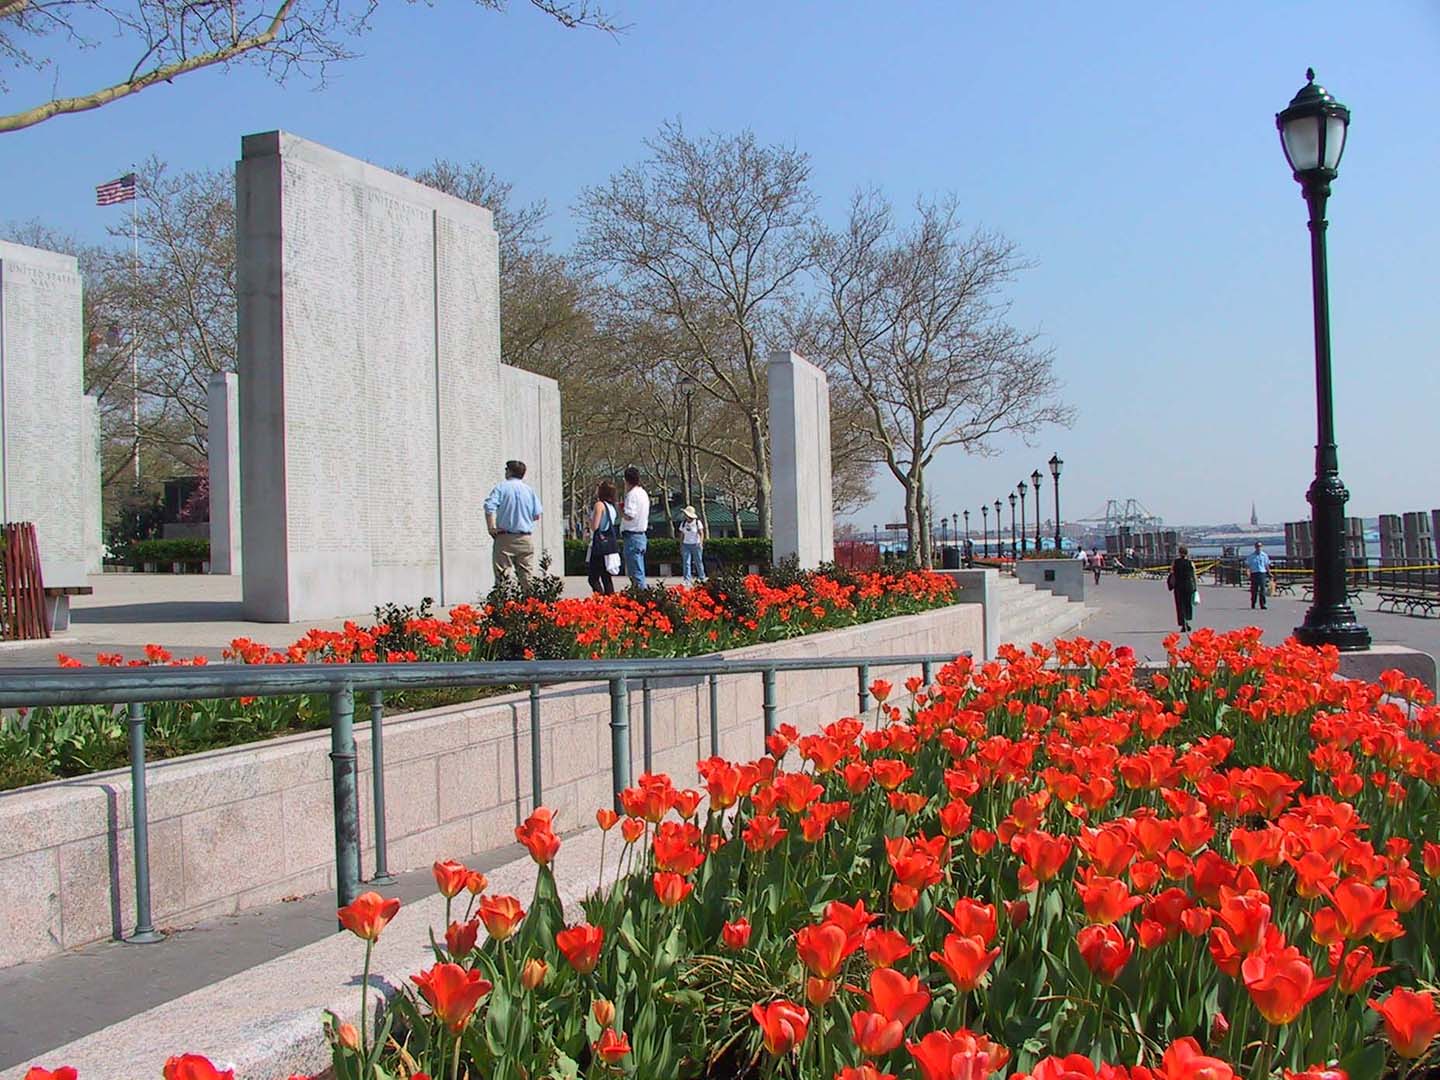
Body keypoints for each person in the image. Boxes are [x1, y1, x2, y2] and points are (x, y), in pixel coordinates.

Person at [484, 459, 542, 587]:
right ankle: (531, 605)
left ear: (509, 472)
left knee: (503, 577)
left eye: (506, 469)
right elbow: (537, 515)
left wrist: (491, 528)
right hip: (525, 537)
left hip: (505, 537)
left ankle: (504, 605)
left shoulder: (501, 488)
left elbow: (489, 507)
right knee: (527, 578)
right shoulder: (529, 490)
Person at [586, 480, 619, 596]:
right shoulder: (612, 507)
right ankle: (611, 600)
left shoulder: (599, 505)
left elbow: (595, 526)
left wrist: (589, 520)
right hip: (608, 546)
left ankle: (600, 600)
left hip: (599, 546)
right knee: (606, 577)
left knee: (593, 578)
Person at [619, 465, 650, 589]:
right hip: (641, 535)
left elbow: (630, 515)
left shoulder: (632, 495)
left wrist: (621, 510)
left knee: (635, 571)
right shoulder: (643, 493)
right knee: (639, 568)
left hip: (632, 535)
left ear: (626, 480)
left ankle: (641, 596)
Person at [1168, 544, 1198, 632]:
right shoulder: (1190, 563)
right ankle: (1187, 620)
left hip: (1178, 586)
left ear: (1179, 552)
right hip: (1188, 585)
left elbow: (1172, 573)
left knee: (1179, 605)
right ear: (1187, 553)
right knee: (1187, 604)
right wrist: (1195, 587)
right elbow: (1193, 576)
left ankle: (1183, 622)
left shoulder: (1175, 562)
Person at [678, 504, 706, 585]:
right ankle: (687, 579)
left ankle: (702, 577)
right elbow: (682, 534)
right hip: (686, 545)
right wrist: (681, 544)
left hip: (696, 545)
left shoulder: (697, 522)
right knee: (686, 562)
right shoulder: (683, 523)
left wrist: (700, 543)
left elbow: (701, 533)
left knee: (698, 562)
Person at [1246, 541, 1272, 610]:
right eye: (1257, 546)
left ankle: (1263, 604)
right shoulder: (1251, 556)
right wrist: (1248, 572)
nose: (1259, 548)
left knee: (1262, 589)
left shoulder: (1264, 555)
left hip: (1262, 573)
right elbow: (1248, 565)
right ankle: (1253, 603)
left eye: (1260, 546)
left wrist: (1269, 573)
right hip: (1254, 573)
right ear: (1255, 547)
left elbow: (1266, 565)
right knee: (1254, 590)